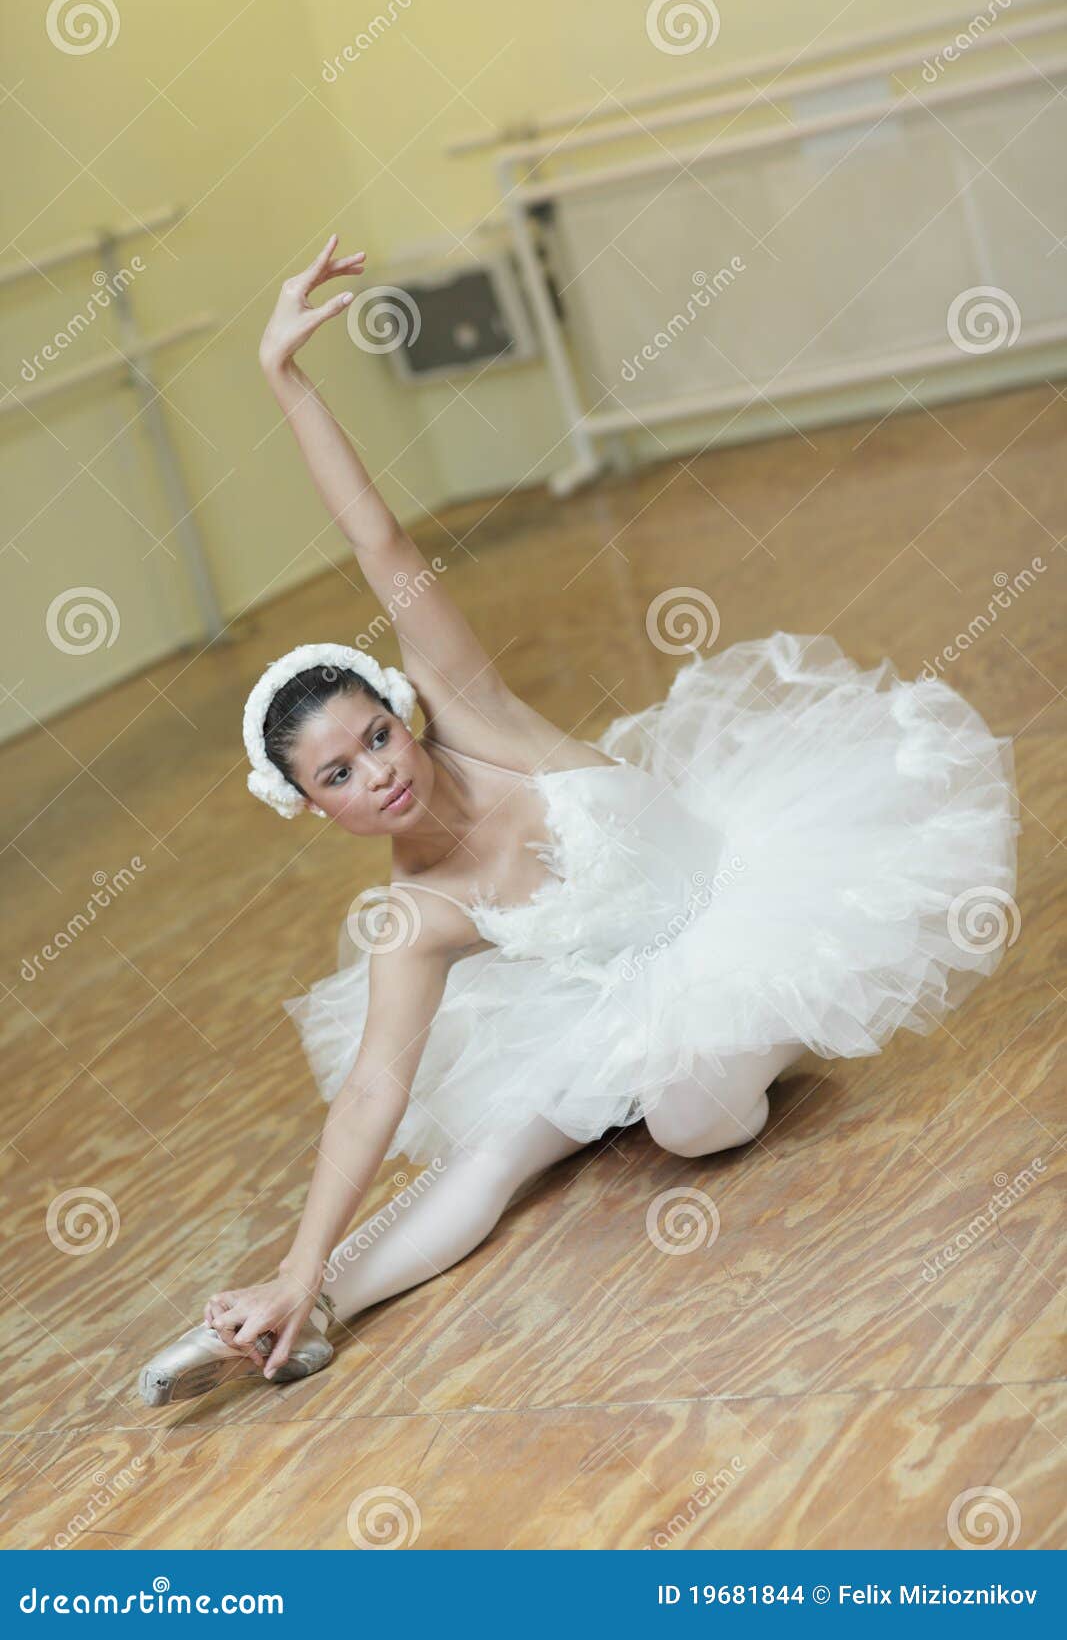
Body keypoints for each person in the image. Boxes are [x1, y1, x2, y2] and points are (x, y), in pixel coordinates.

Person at [138, 235, 1021, 1407]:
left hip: (752, 908)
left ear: (401, 711)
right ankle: (296, 1311)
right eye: (338, 775)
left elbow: (378, 544)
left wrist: (285, 381)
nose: (377, 774)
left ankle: (766, 1036)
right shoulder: (415, 918)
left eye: (375, 737)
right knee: (489, 1156)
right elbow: (371, 1093)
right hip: (610, 1000)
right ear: (310, 805)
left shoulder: (471, 712)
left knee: (688, 1121)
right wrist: (300, 1262)